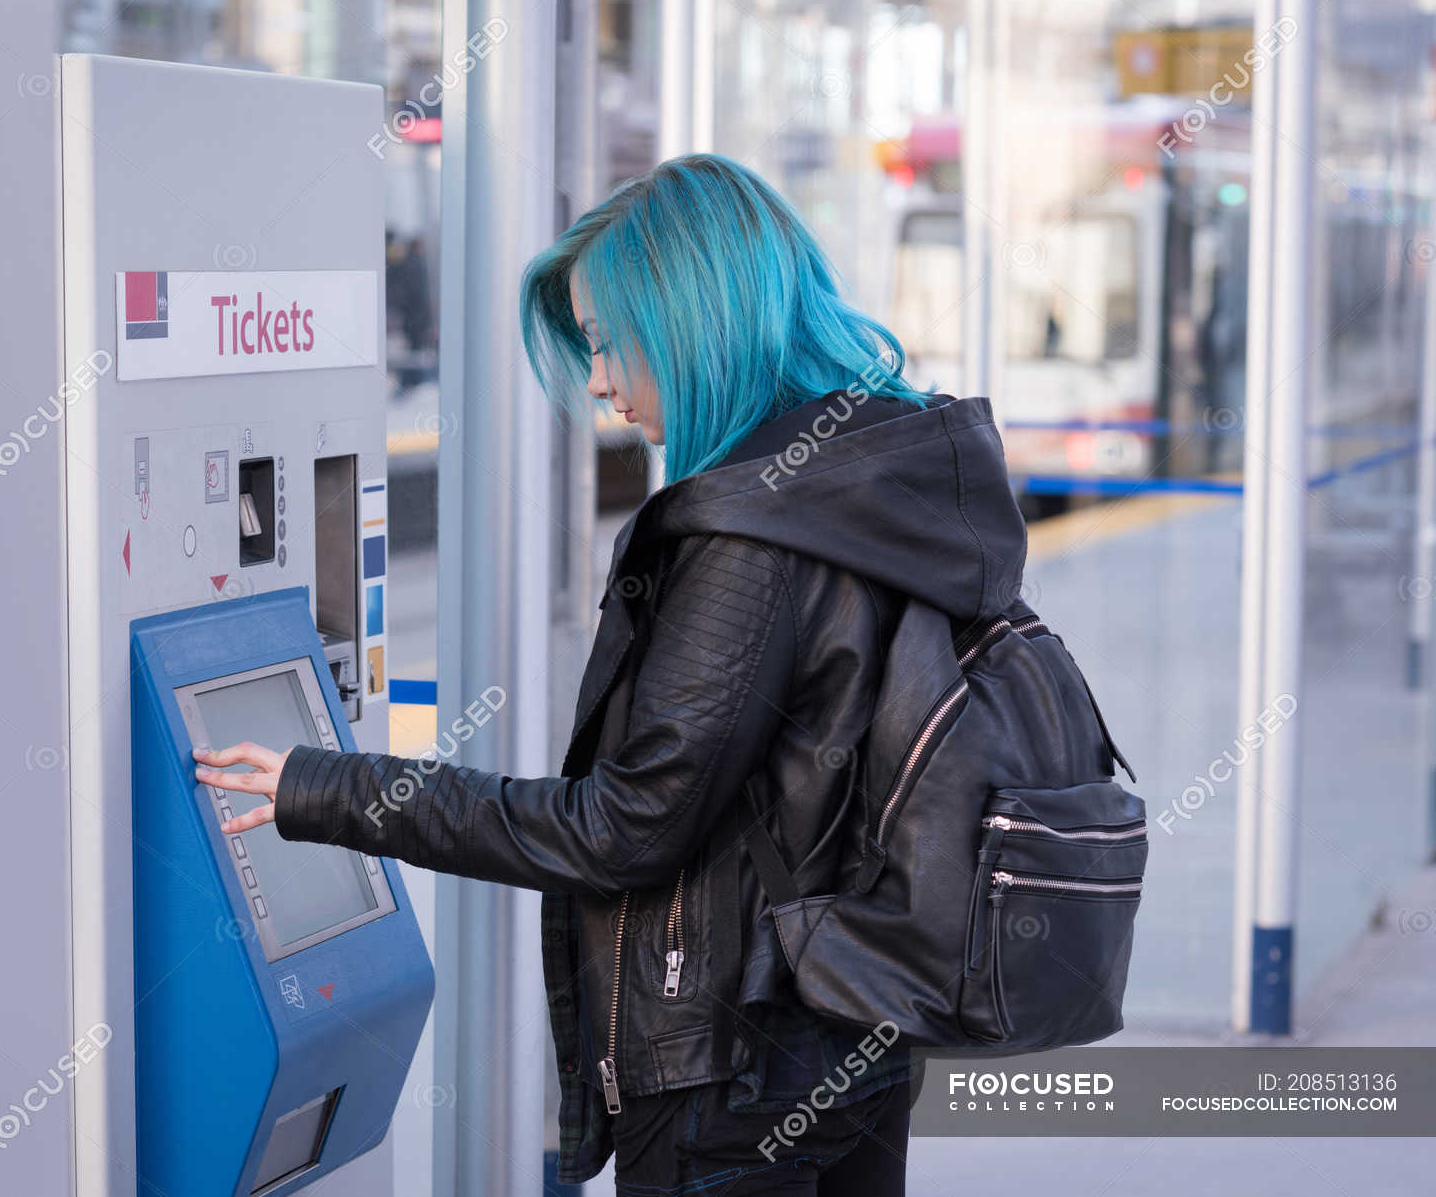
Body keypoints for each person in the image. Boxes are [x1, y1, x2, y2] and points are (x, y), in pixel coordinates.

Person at [193, 153, 1029, 1196]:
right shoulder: (874, 485)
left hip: (727, 1070)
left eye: (603, 344)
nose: (596, 382)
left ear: (690, 321)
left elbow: (622, 828)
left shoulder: (749, 538)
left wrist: (328, 788)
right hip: (849, 1035)